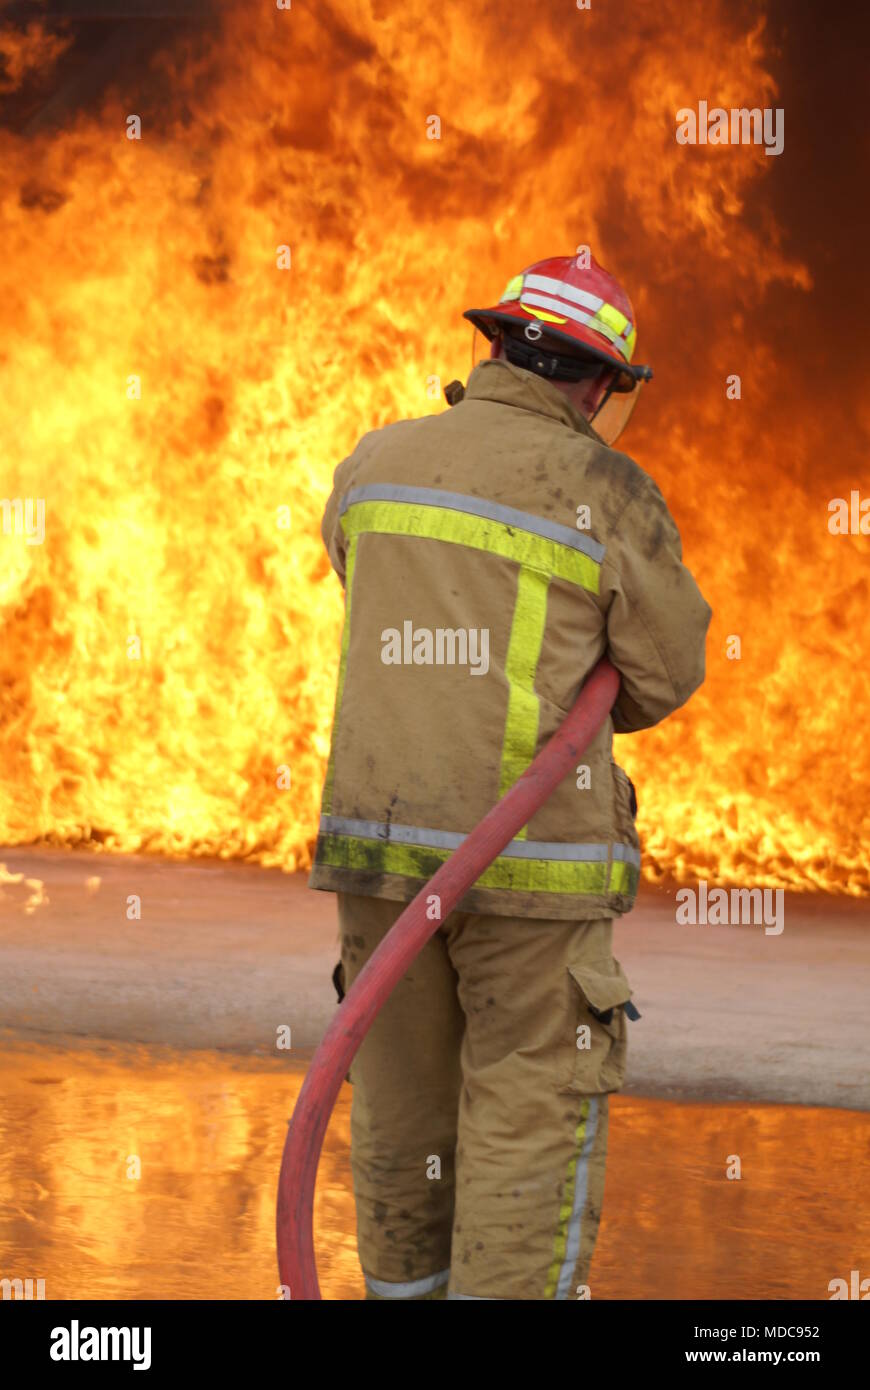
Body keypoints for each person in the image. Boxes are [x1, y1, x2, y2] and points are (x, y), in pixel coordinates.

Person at [309, 252, 712, 1300]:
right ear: (599, 383)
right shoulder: (605, 489)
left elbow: (364, 577)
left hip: (381, 858)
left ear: (496, 346)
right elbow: (667, 669)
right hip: (530, 878)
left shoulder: (377, 461)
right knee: (528, 1108)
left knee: (402, 1112)